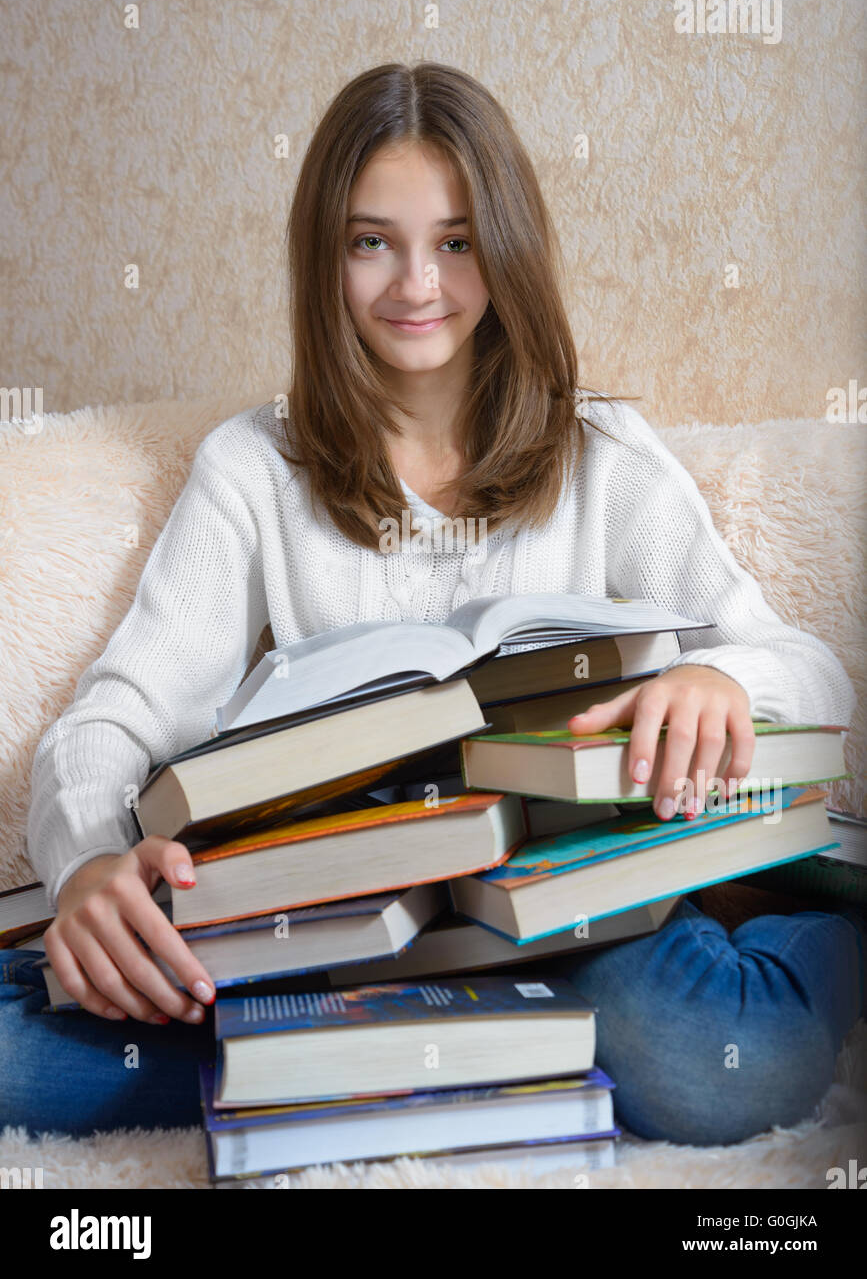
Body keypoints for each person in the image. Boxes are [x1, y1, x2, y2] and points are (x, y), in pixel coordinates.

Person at [3, 62, 863, 1146]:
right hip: (334, 925)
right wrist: (85, 864)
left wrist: (717, 678)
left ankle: (380, 1061)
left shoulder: (603, 456)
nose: (418, 283)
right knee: (15, 1049)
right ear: (326, 257)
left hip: (574, 921)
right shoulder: (251, 467)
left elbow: (810, 665)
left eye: (456, 240)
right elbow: (112, 716)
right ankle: (479, 1055)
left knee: (714, 1067)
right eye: (373, 241)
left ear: (504, 248)